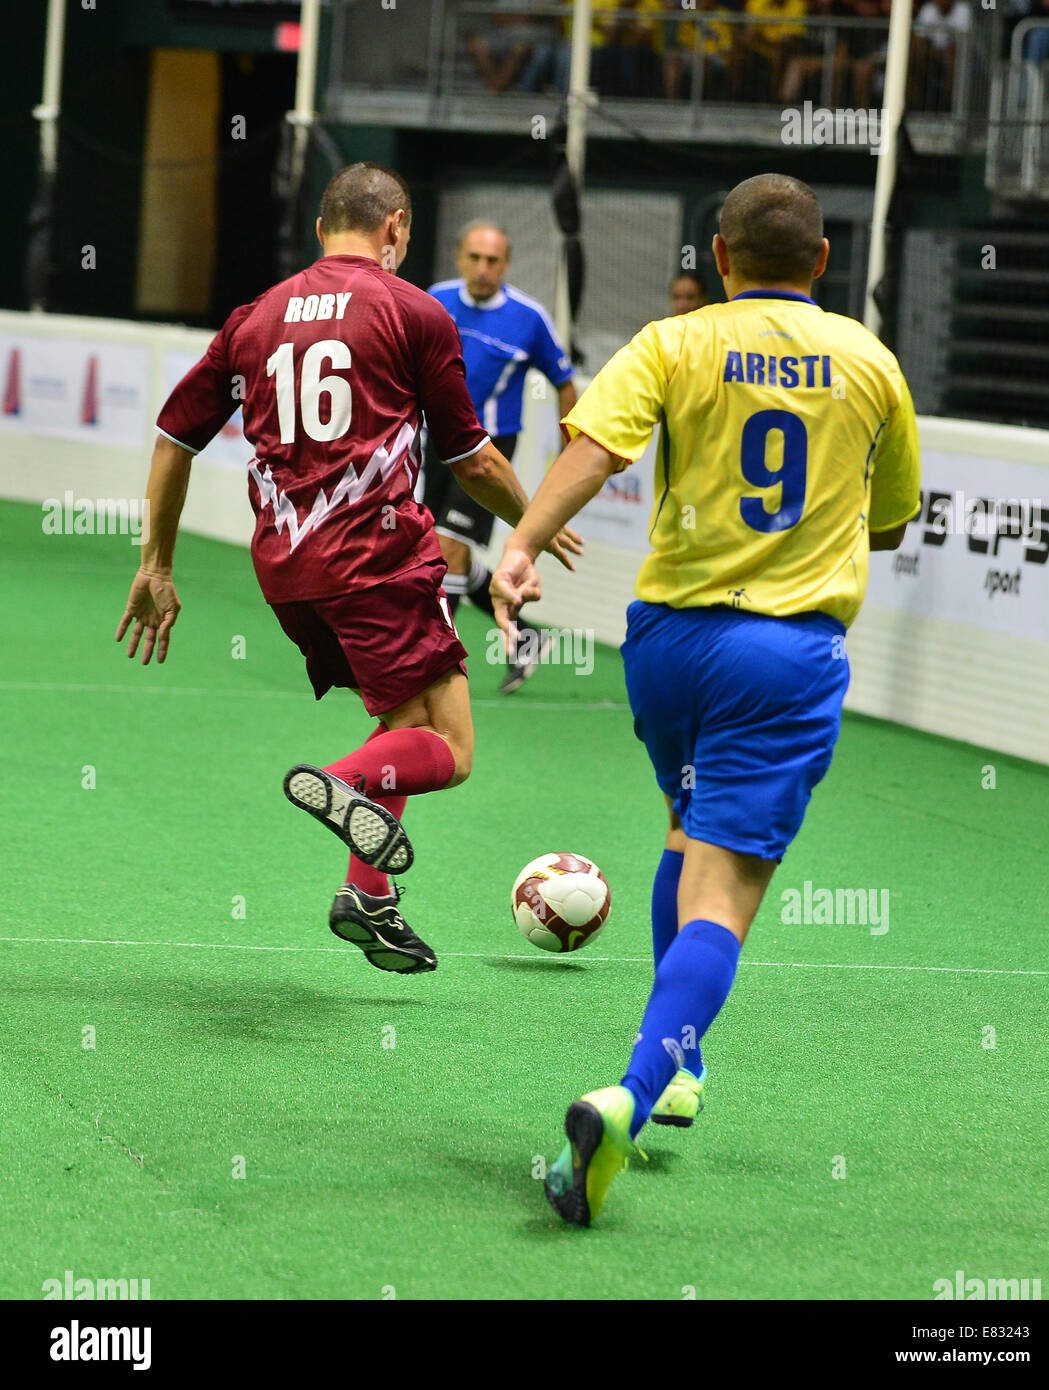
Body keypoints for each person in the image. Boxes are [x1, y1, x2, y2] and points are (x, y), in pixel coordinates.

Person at [490, 173, 920, 1226]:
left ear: (718, 260)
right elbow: (895, 521)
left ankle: (677, 1063)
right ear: (823, 262)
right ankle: (626, 1098)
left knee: (685, 829)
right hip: (784, 655)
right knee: (725, 894)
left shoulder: (673, 341)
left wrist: (524, 544)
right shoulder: (870, 360)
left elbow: (595, 449)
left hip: (668, 644)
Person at [116, 163, 582, 976]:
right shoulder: (415, 312)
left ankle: (367, 898)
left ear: (321, 225)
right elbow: (471, 461)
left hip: (287, 571)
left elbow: (174, 441)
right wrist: (533, 522)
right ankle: (341, 783)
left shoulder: (255, 316)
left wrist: (156, 562)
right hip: (378, 561)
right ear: (395, 226)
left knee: (405, 725)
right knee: (451, 745)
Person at [426, 221, 577, 694]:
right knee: (439, 549)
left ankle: (436, 661)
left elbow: (565, 383)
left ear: (506, 265)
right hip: (435, 442)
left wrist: (571, 451)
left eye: (492, 260)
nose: (482, 268)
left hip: (488, 450)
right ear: (459, 258)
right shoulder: (435, 299)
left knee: (448, 548)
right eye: (474, 257)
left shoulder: (529, 318)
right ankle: (525, 636)